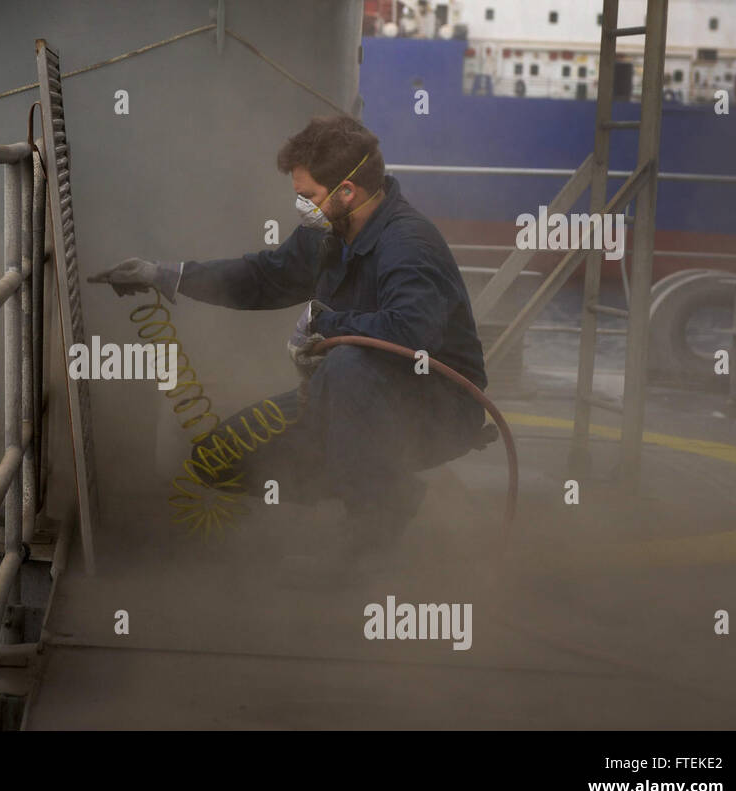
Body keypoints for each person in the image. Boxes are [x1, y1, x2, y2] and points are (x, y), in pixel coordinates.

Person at [88, 114, 489, 555]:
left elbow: (414, 335)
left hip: (436, 406)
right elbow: (266, 276)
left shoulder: (408, 245)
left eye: (307, 196)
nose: (302, 207)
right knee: (220, 460)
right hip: (349, 396)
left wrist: (324, 324)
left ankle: (372, 529)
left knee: (346, 362)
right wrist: (165, 275)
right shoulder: (329, 231)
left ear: (347, 191)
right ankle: (377, 489)